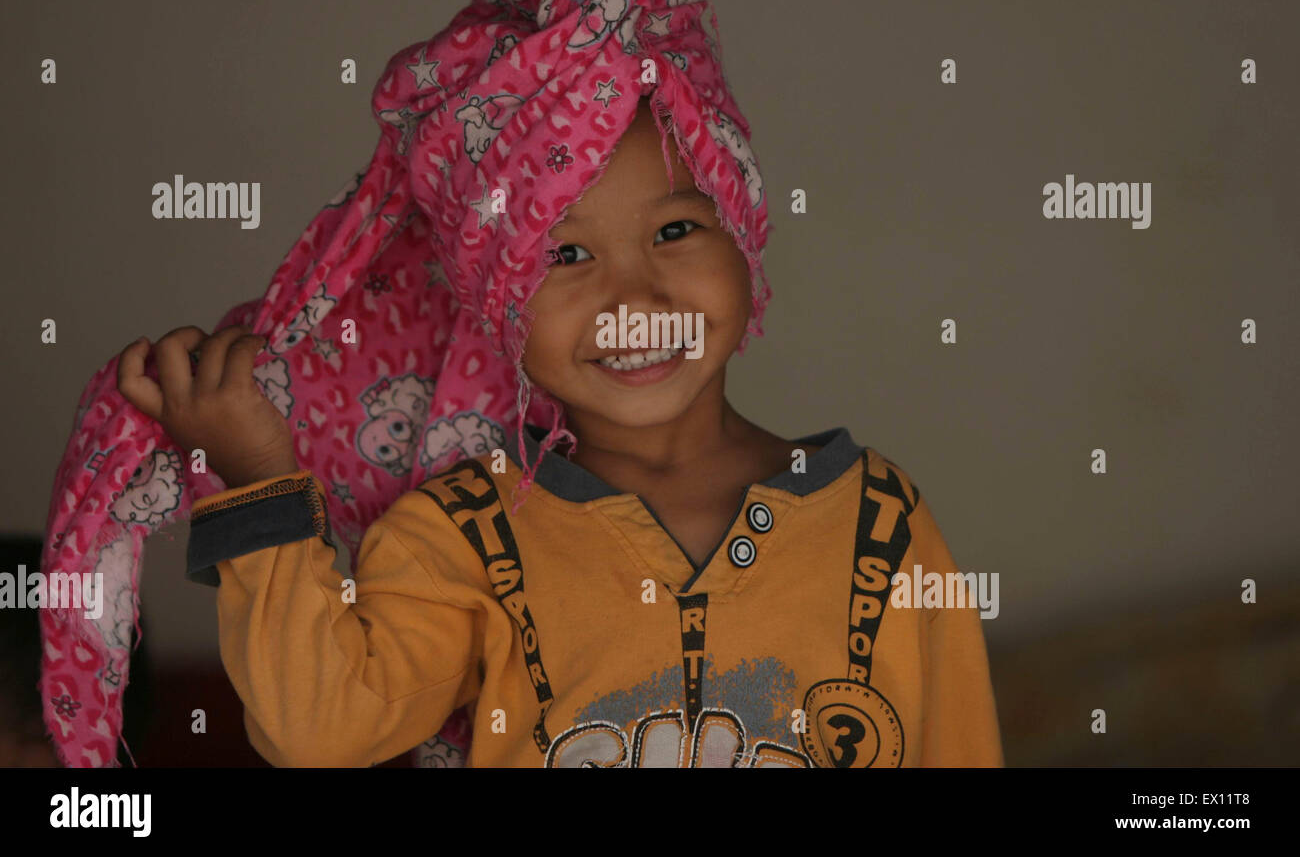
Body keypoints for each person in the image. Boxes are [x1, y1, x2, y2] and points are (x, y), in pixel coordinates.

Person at [115, 88, 1004, 767]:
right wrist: (260, 482)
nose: (634, 296)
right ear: (495, 300)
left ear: (746, 234)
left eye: (678, 229)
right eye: (565, 254)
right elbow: (320, 729)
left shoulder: (879, 523)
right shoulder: (463, 535)